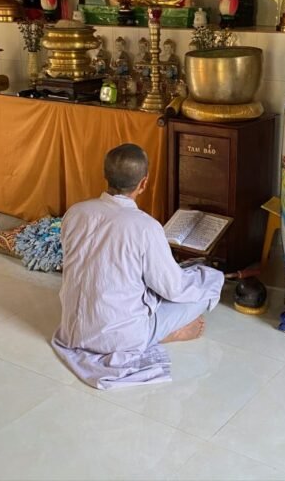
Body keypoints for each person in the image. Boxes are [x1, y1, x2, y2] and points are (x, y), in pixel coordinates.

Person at [52, 144, 224, 389]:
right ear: (144, 183)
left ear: (105, 176)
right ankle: (165, 335)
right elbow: (173, 289)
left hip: (74, 329)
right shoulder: (145, 227)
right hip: (120, 338)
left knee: (153, 281)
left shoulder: (75, 212)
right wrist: (200, 276)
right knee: (208, 284)